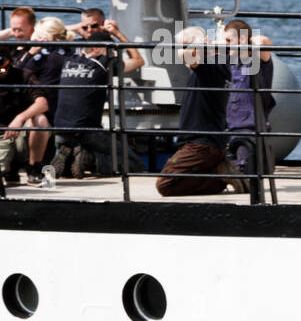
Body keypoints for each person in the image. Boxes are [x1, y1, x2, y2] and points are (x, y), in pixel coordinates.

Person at [50, 29, 144, 178]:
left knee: (68, 170)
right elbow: (139, 61)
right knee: (135, 165)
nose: (113, 53)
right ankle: (91, 159)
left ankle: (69, 153)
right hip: (87, 131)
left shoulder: (69, 60)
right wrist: (119, 33)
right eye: (111, 49)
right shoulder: (103, 63)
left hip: (60, 131)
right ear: (97, 49)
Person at [155, 27, 235, 197]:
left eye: (185, 44)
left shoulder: (211, 66)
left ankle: (222, 177)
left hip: (201, 144)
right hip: (205, 141)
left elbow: (186, 56)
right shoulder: (217, 66)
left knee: (165, 185)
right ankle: (220, 173)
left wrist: (201, 43)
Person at [8, 16, 69, 184]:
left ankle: (34, 167)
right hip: (25, 109)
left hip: (42, 111)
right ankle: (13, 168)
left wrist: (32, 51)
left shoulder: (52, 58)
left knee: (39, 119)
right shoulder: (66, 53)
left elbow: (16, 74)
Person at [222, 19, 275, 184]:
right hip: (228, 128)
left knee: (246, 172)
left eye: (229, 40)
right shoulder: (228, 63)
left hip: (250, 128)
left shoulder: (257, 61)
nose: (226, 45)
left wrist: (245, 42)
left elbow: (264, 41)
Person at [0, 7, 36, 184]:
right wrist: (13, 31)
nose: (16, 33)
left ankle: (31, 167)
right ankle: (9, 170)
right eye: (13, 29)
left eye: (20, 29)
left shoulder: (39, 49)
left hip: (24, 106)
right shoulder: (9, 49)